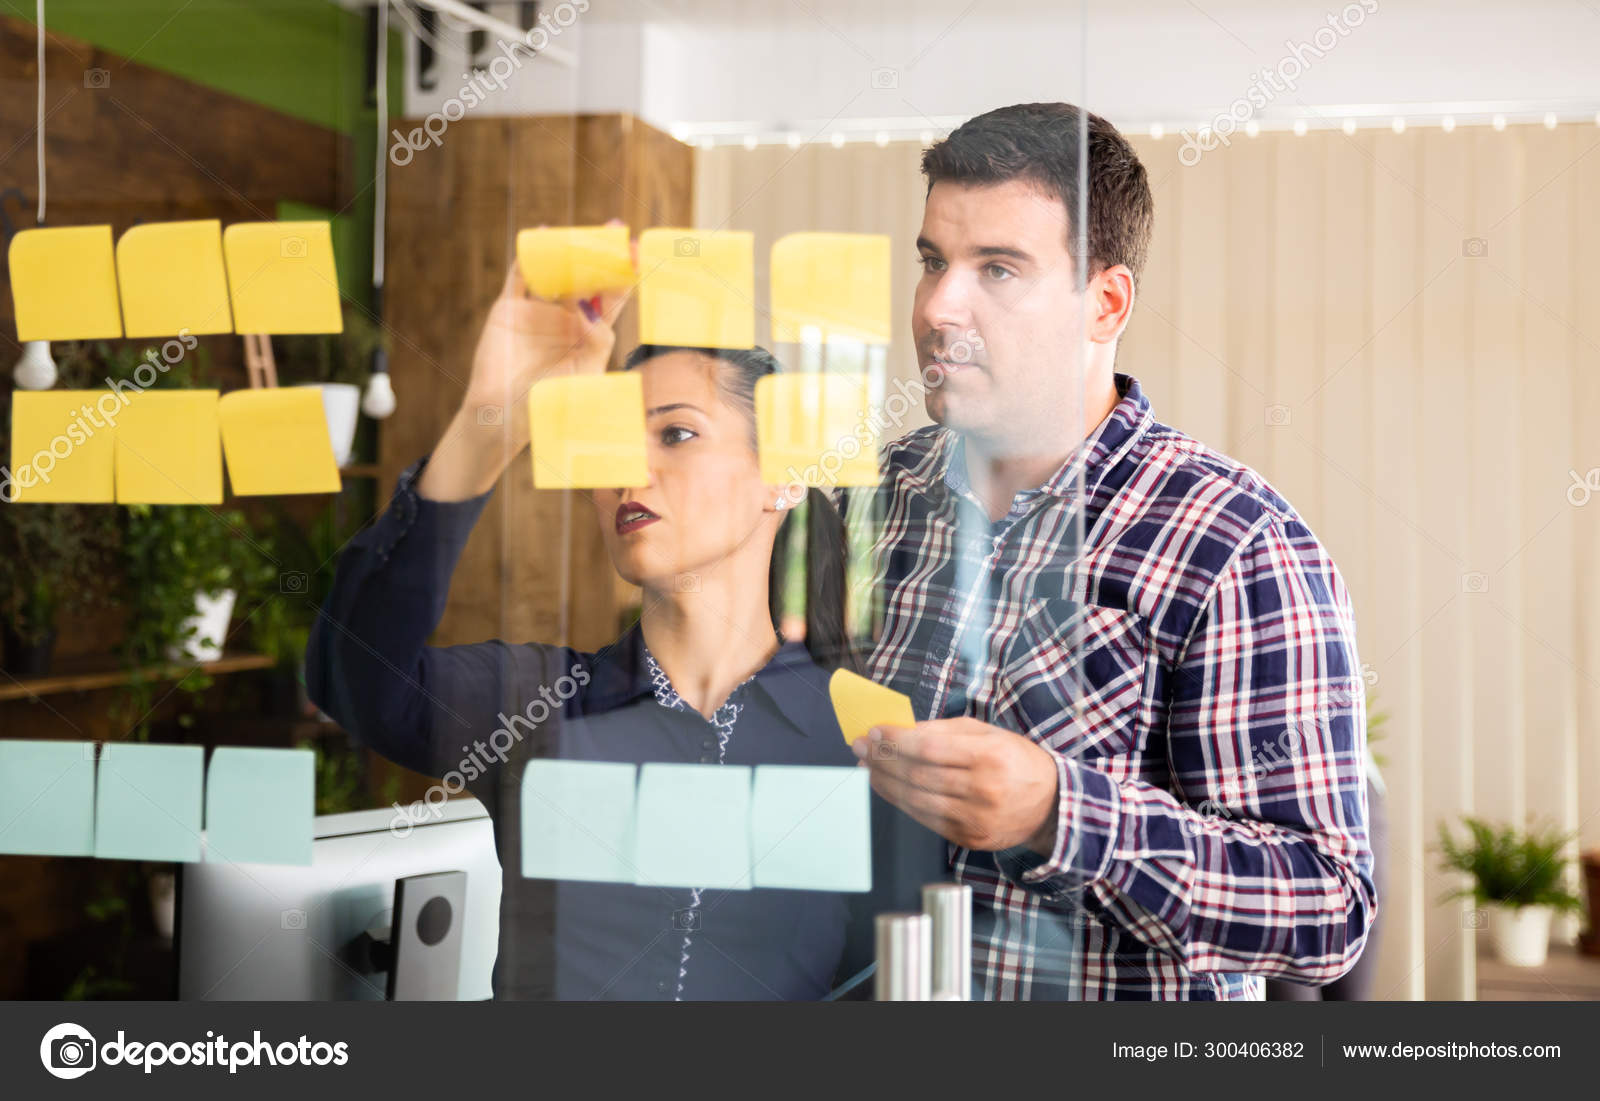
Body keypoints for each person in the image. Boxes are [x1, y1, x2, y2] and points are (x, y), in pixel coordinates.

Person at [845, 102, 1378, 999]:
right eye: (934, 261)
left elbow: (1329, 909)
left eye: (998, 269)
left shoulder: (1236, 540)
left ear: (1106, 302)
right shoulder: (876, 500)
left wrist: (1064, 812)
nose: (939, 306)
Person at [305, 266, 933, 1000]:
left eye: (676, 433)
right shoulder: (537, 706)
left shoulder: (866, 740)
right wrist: (492, 417)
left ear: (783, 476)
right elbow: (354, 675)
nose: (628, 469)